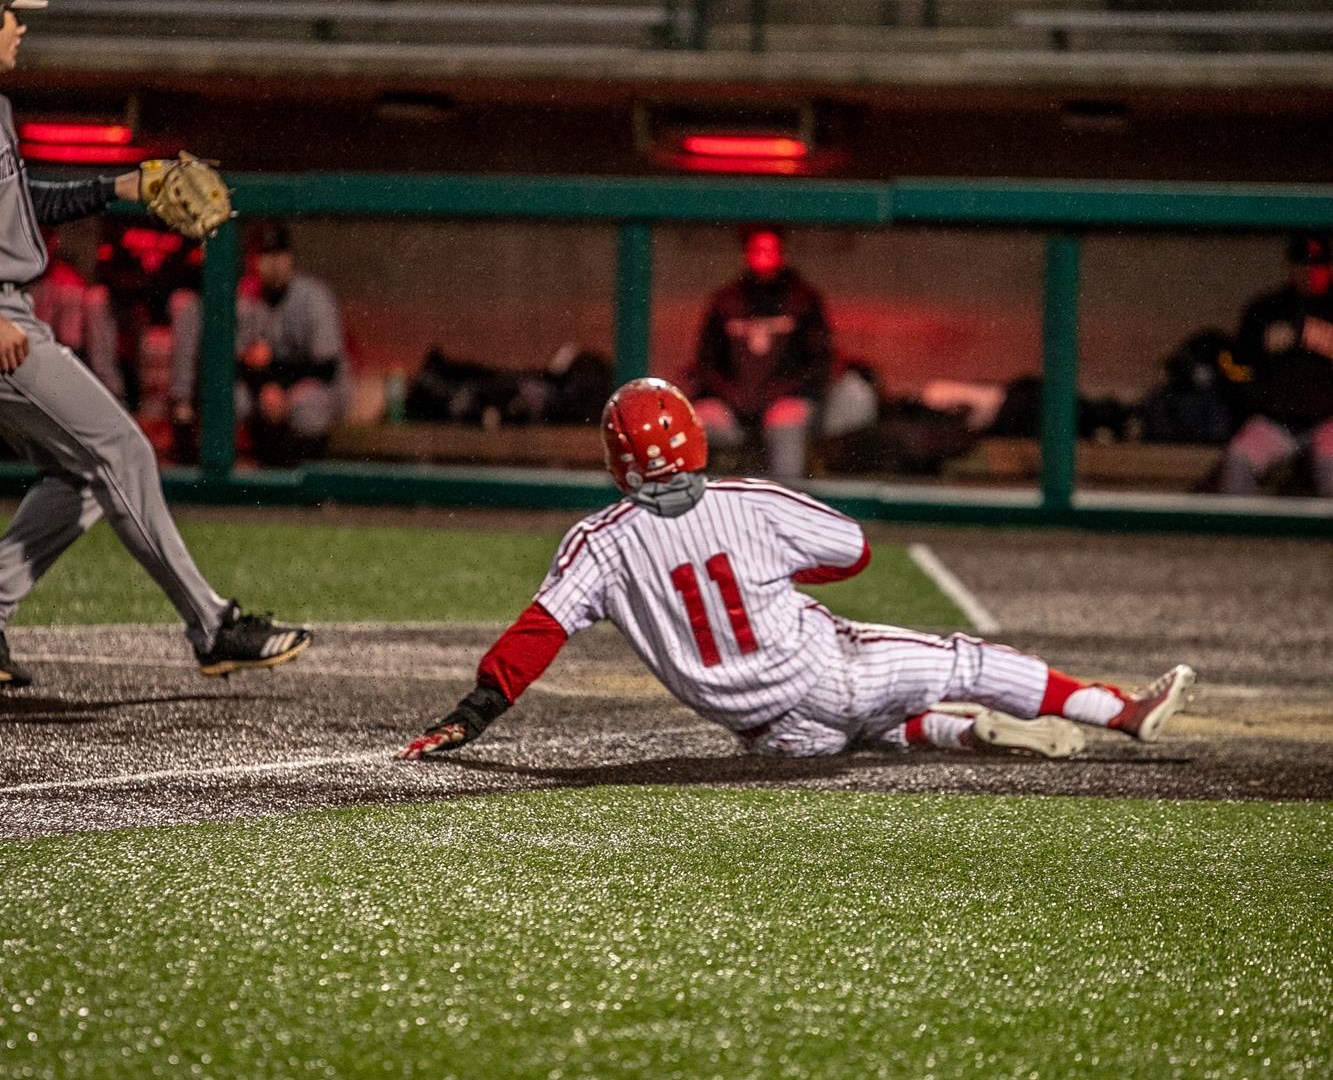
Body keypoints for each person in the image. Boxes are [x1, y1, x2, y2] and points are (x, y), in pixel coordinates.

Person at [400, 377, 1196, 762]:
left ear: (615, 460)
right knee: (967, 659)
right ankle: (1118, 711)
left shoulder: (600, 541)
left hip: (765, 732)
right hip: (826, 669)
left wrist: (470, 714)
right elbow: (853, 551)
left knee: (866, 736)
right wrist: (773, 575)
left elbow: (538, 631)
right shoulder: (747, 502)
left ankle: (962, 735)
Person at [0, 0, 312, 688]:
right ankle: (212, 627)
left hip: (15, 311)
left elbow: (22, 210)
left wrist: (122, 184)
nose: (21, 27)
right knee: (124, 448)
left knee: (83, 475)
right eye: (9, 15)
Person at [689, 226, 834, 480]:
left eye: (769, 249)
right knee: (699, 422)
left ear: (782, 253)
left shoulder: (802, 299)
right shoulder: (726, 300)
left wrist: (777, 398)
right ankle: (707, 510)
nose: (763, 256)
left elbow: (818, 364)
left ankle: (783, 507)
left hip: (785, 401)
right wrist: (730, 397)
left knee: (785, 424)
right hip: (733, 404)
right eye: (756, 249)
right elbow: (706, 364)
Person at [1218, 232, 1333, 497]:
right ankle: (1242, 537)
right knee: (1238, 459)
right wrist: (1261, 346)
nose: (1308, 272)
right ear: (1290, 267)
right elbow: (1235, 366)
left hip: (1328, 421)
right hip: (1277, 422)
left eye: (1316, 265)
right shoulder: (1268, 309)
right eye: (1302, 264)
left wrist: (1306, 335)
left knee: (1330, 463)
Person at [233, 221, 348, 466]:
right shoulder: (245, 300)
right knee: (236, 398)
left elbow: (326, 366)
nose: (273, 262)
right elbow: (234, 361)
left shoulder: (314, 296)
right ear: (253, 261)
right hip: (264, 388)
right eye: (265, 255)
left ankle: (309, 487)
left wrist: (279, 385)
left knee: (308, 404)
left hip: (313, 384)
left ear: (290, 258)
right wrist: (265, 386)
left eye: (279, 254)